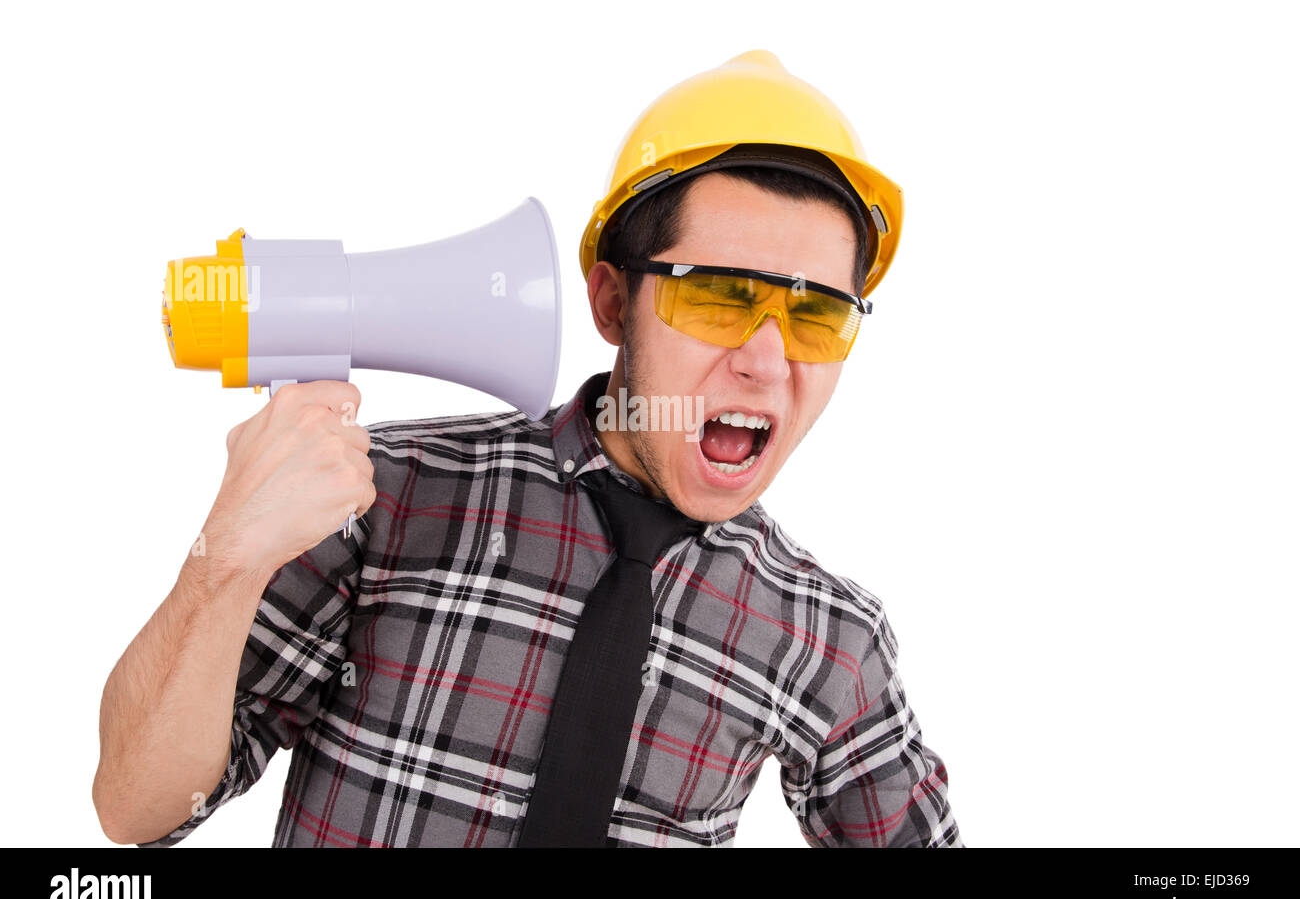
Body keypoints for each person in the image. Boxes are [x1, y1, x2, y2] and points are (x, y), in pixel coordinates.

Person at [93, 50, 962, 848]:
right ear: (614, 302)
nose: (769, 362)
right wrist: (226, 562)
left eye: (816, 314)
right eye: (719, 298)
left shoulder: (828, 637)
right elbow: (135, 807)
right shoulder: (381, 498)